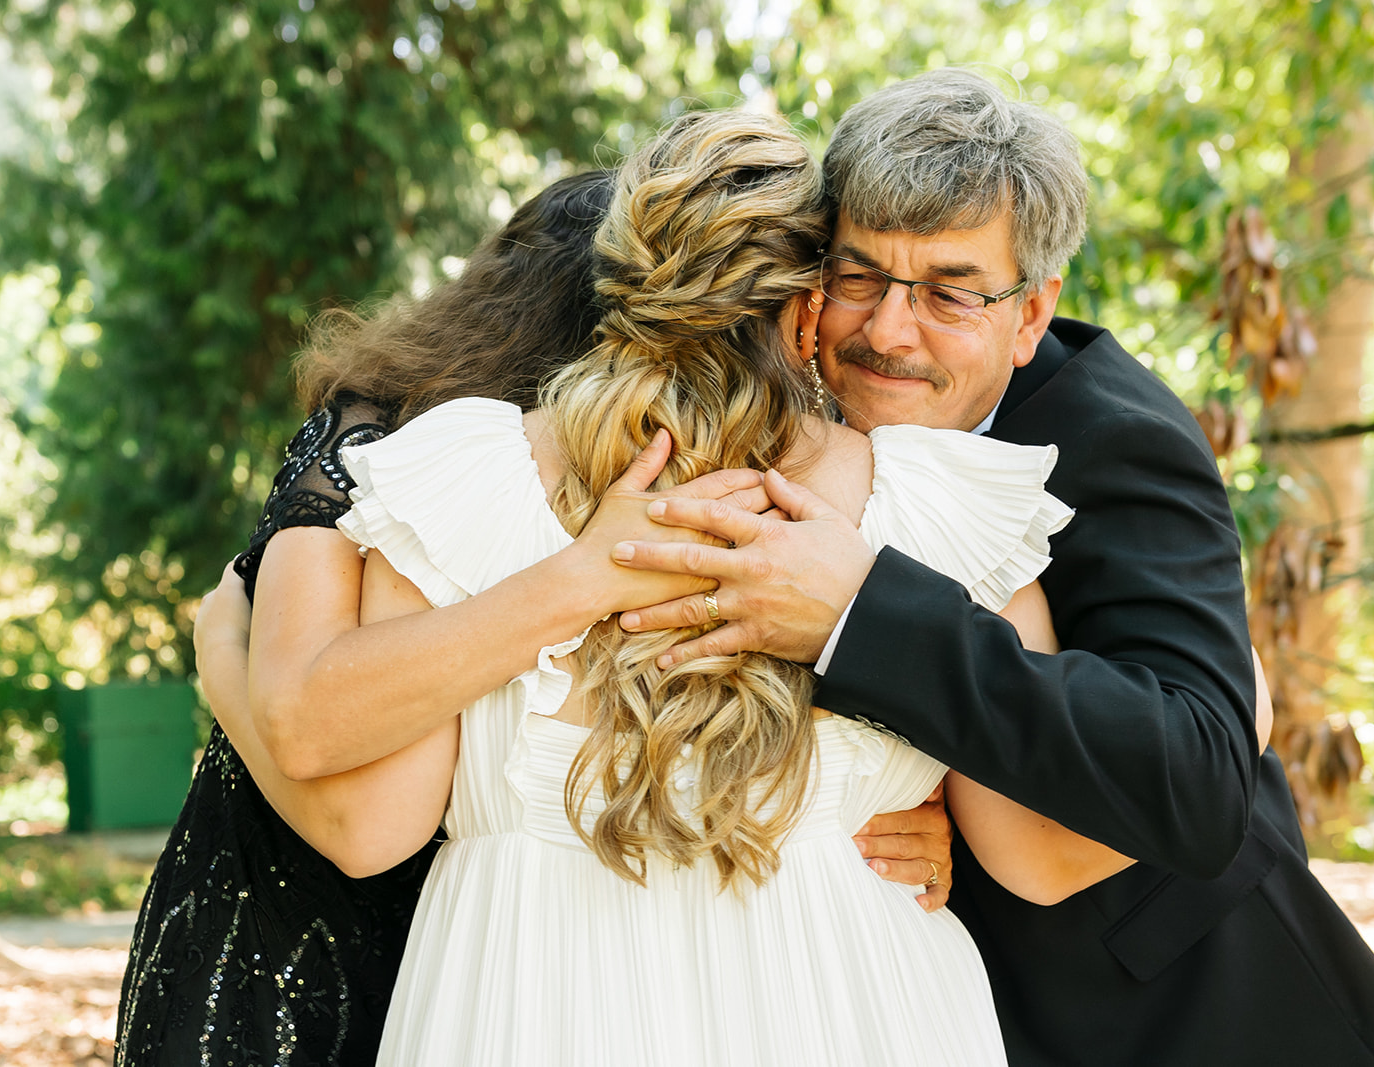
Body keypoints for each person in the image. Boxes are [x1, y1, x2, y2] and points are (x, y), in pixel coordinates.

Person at [238, 107, 1122, 1066]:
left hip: (532, 1010)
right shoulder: (937, 503)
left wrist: (224, 650)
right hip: (857, 1011)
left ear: (617, 279)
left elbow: (374, 823)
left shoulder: (467, 476)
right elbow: (1040, 851)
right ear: (808, 309)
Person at [611, 69, 1374, 1066]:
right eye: (860, 276)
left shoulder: (1117, 441)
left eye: (950, 292)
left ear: (1032, 312)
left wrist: (861, 613)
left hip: (1180, 1016)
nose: (887, 330)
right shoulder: (782, 401)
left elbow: (1198, 776)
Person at [121, 171, 954, 1065]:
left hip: (486, 967)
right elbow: (346, 793)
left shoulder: (660, 464)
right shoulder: (391, 447)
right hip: (287, 961)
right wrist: (226, 656)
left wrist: (909, 807)